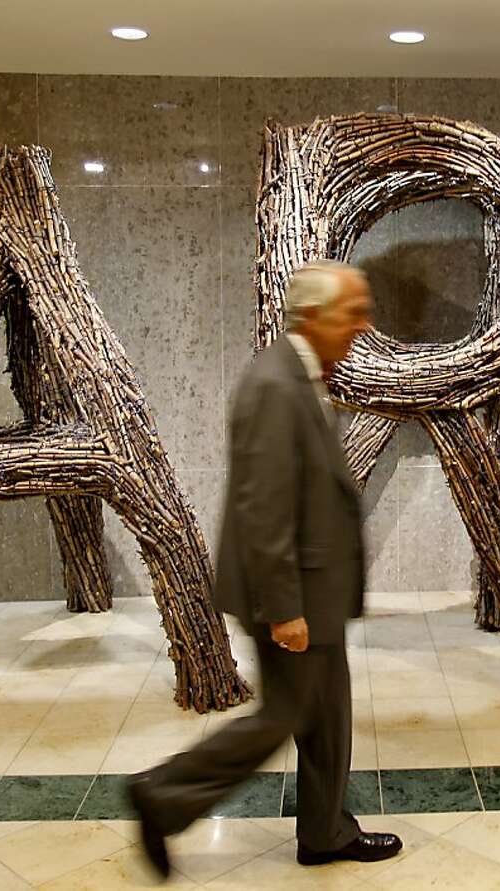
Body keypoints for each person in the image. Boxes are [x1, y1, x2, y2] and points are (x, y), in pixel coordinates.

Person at [126, 260, 402, 880]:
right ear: (313, 317)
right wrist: (285, 608)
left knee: (328, 716)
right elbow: (263, 505)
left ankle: (326, 831)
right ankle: (163, 794)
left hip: (314, 589)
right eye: (352, 312)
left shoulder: (301, 375)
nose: (363, 324)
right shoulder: (276, 385)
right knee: (281, 715)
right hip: (291, 593)